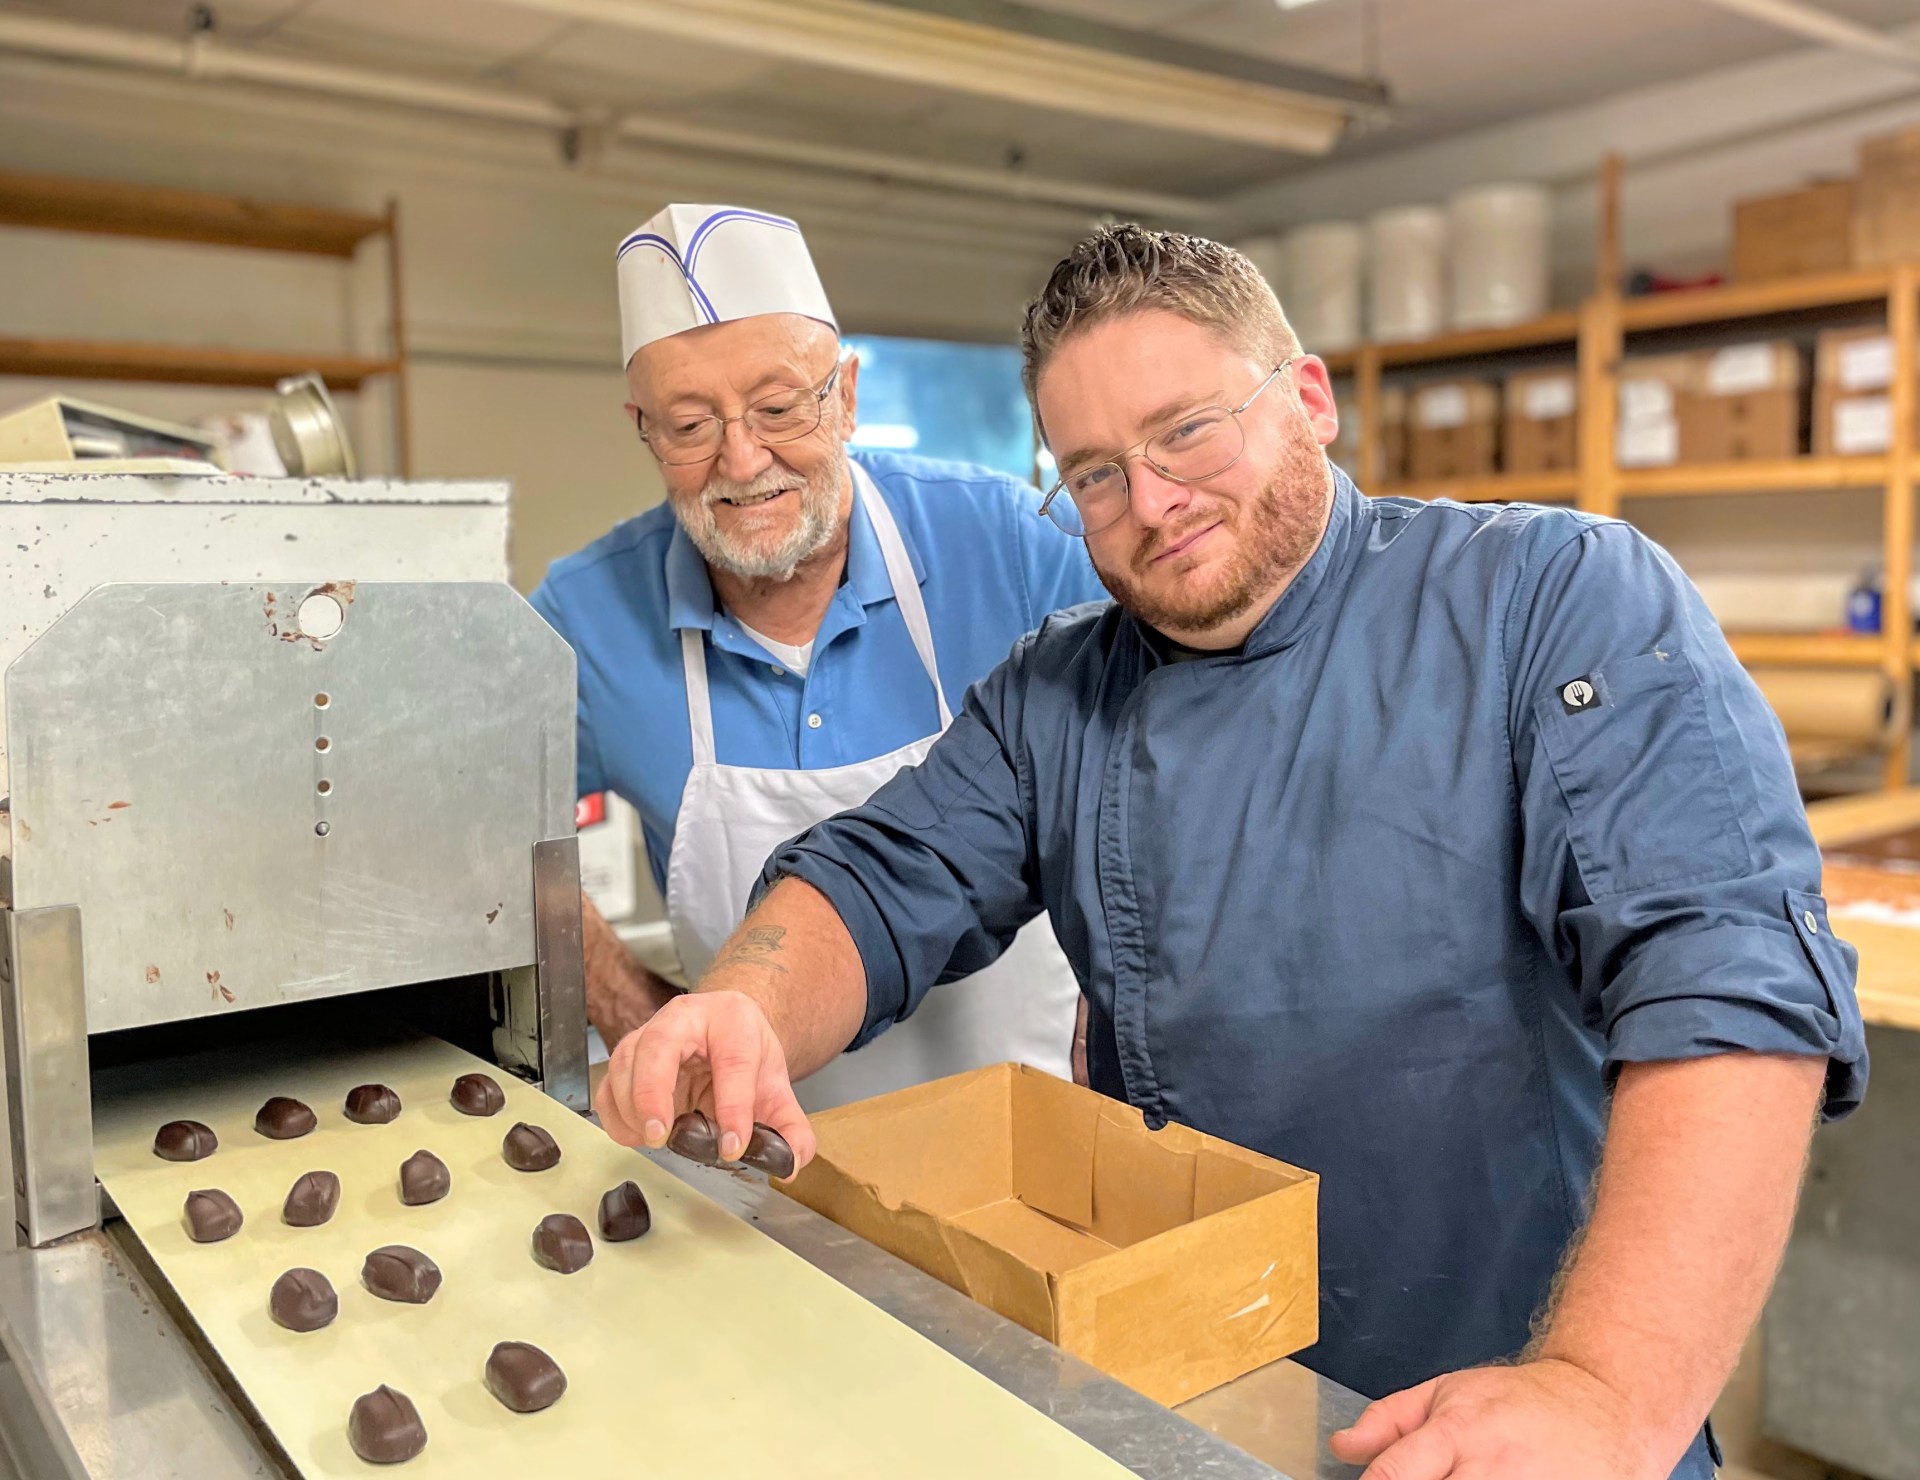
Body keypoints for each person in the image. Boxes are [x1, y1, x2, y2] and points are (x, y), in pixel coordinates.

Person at [595, 224, 1869, 1480]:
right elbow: (880, 879)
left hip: (1520, 1403)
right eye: (1093, 472)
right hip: (1190, 1392)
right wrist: (744, 1001)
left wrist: (1606, 1393)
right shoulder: (1057, 696)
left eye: (1186, 430)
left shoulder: (1552, 598)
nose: (1151, 502)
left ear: (1305, 399)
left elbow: (1727, 985)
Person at [530, 203, 1106, 1108]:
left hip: (1026, 1123)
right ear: (641, 428)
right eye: (690, 425)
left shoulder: (1016, 546)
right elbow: (478, 823)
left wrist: (1125, 987)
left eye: (777, 406)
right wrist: (620, 1002)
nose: (742, 459)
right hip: (758, 1168)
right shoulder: (586, 613)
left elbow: (1177, 744)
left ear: (845, 394)